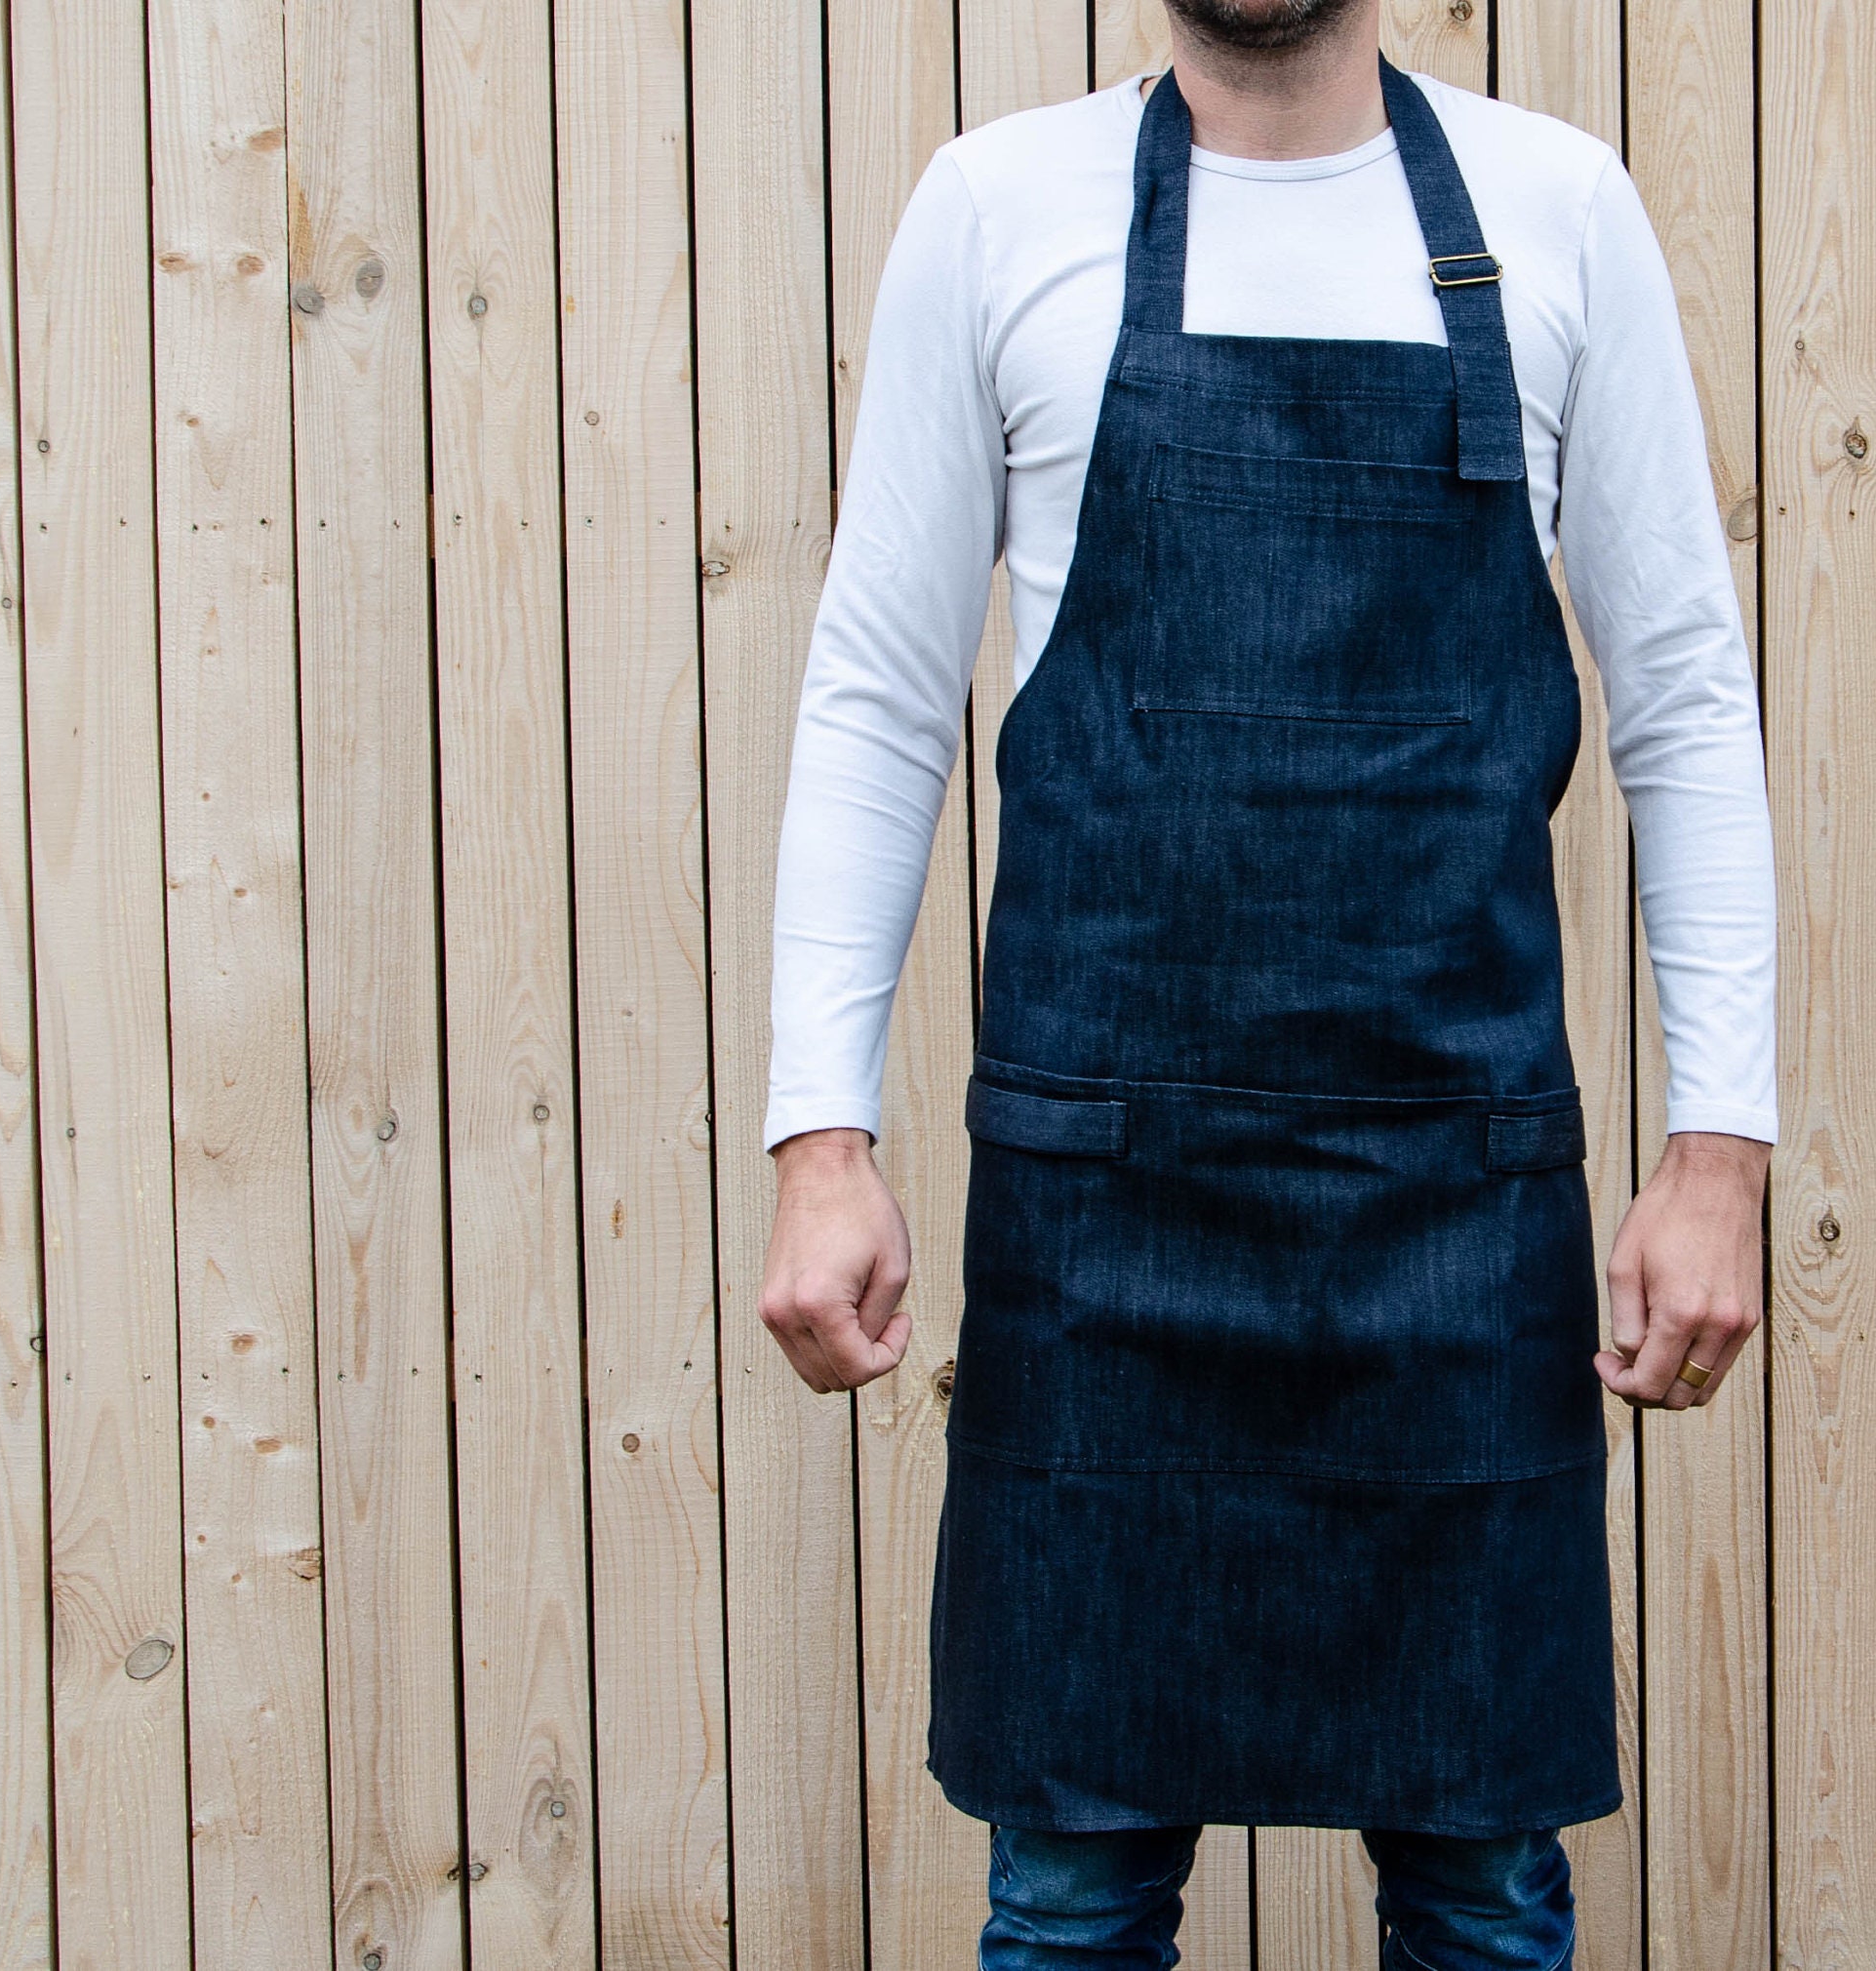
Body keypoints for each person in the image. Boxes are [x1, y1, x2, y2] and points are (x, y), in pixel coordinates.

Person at [755, 0, 1778, 1951]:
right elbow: (879, 689)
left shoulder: (1557, 217)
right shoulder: (997, 213)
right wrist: (823, 1130)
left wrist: (1716, 1149)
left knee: (1484, 1887)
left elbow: (1687, 699)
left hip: (1456, 1213)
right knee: (1070, 1889)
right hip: (1105, 1208)